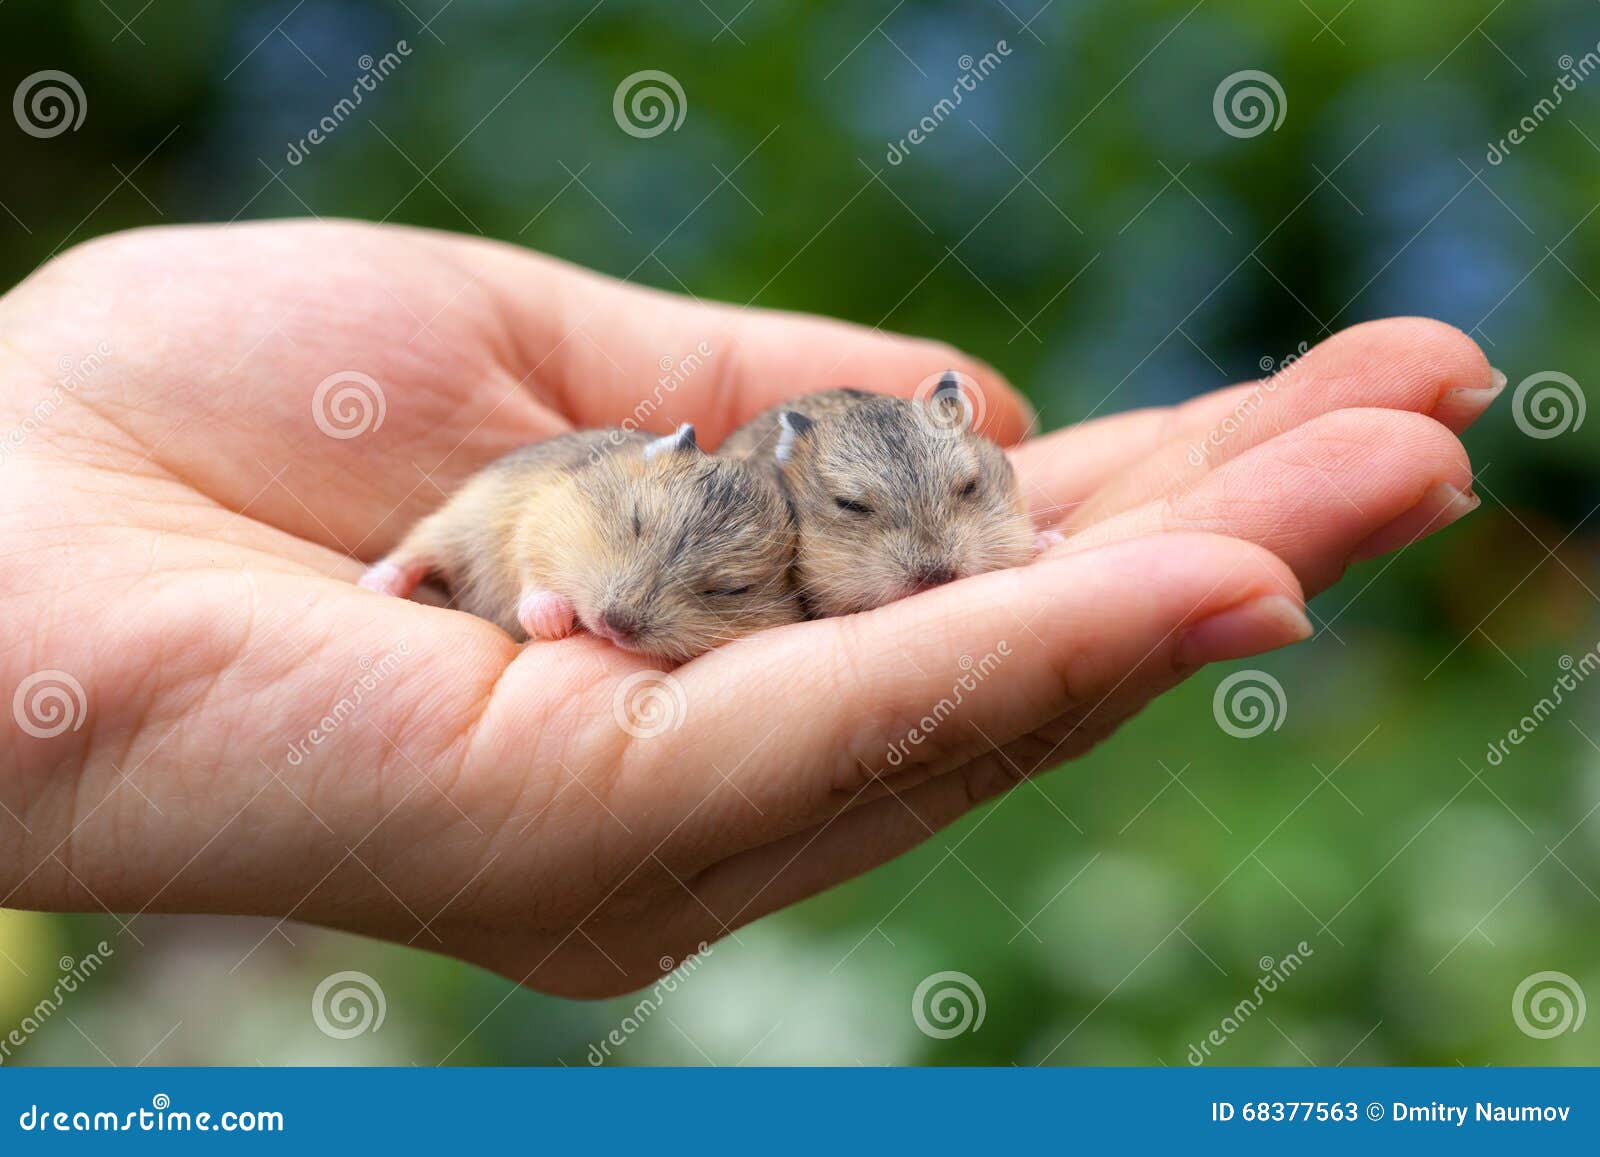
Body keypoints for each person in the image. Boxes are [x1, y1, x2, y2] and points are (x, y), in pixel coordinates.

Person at [0, 221, 1497, 997]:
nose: (920, 566)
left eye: (962, 512)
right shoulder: (616, 492)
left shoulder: (853, 523)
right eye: (859, 525)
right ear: (796, 495)